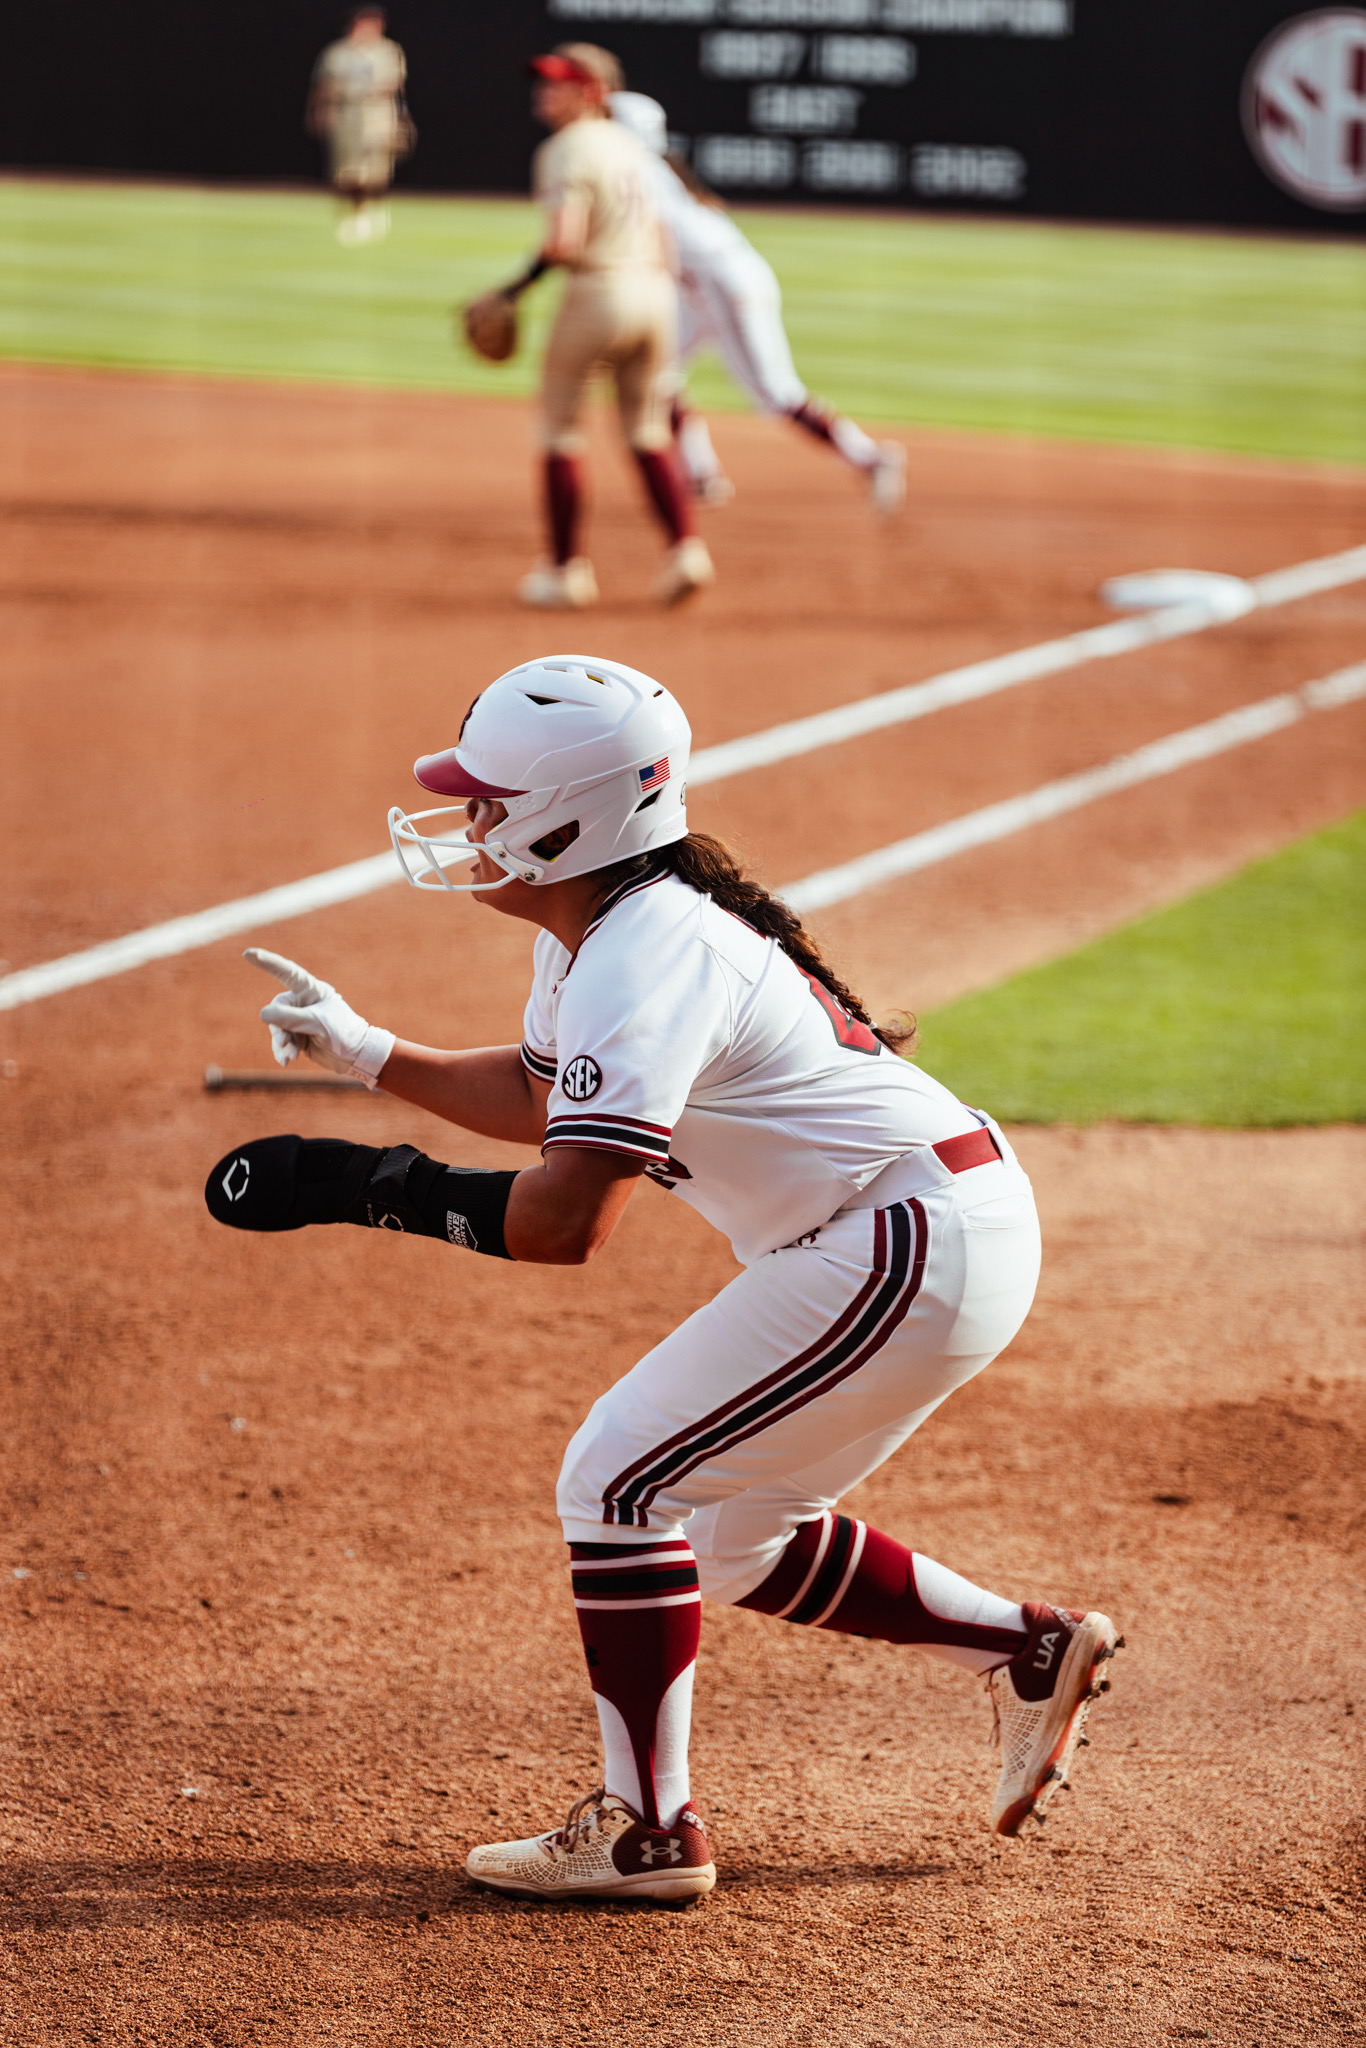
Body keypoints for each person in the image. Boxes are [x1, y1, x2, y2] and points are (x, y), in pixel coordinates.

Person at [206, 654, 1120, 1905]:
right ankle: (1028, 1649)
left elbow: (566, 1221)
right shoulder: (601, 929)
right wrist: (368, 1050)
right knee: (735, 1538)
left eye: (486, 799)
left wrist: (358, 1182)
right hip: (912, 1225)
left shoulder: (644, 953)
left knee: (619, 1475)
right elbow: (543, 1100)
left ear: (565, 817)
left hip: (903, 1238)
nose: (466, 820)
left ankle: (648, 1828)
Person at [487, 46, 713, 610]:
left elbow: (563, 241)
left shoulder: (567, 149)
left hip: (598, 292)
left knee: (560, 432)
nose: (544, 93)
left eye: (558, 85)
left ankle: (565, 573)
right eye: (542, 83)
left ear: (591, 93)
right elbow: (664, 237)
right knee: (647, 430)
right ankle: (686, 551)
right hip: (653, 293)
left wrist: (511, 291)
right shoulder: (632, 148)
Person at [609, 92, 906, 514]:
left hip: (724, 285)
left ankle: (871, 458)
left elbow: (656, 247)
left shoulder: (637, 171)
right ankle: (701, 475)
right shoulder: (655, 168)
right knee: (657, 372)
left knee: (775, 394)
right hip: (704, 286)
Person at [306, 6, 414, 246]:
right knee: (346, 169)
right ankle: (351, 215)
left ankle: (374, 211)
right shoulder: (337, 52)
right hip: (347, 112)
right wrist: (321, 110)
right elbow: (325, 84)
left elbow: (394, 82)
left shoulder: (388, 50)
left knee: (376, 168)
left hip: (377, 111)